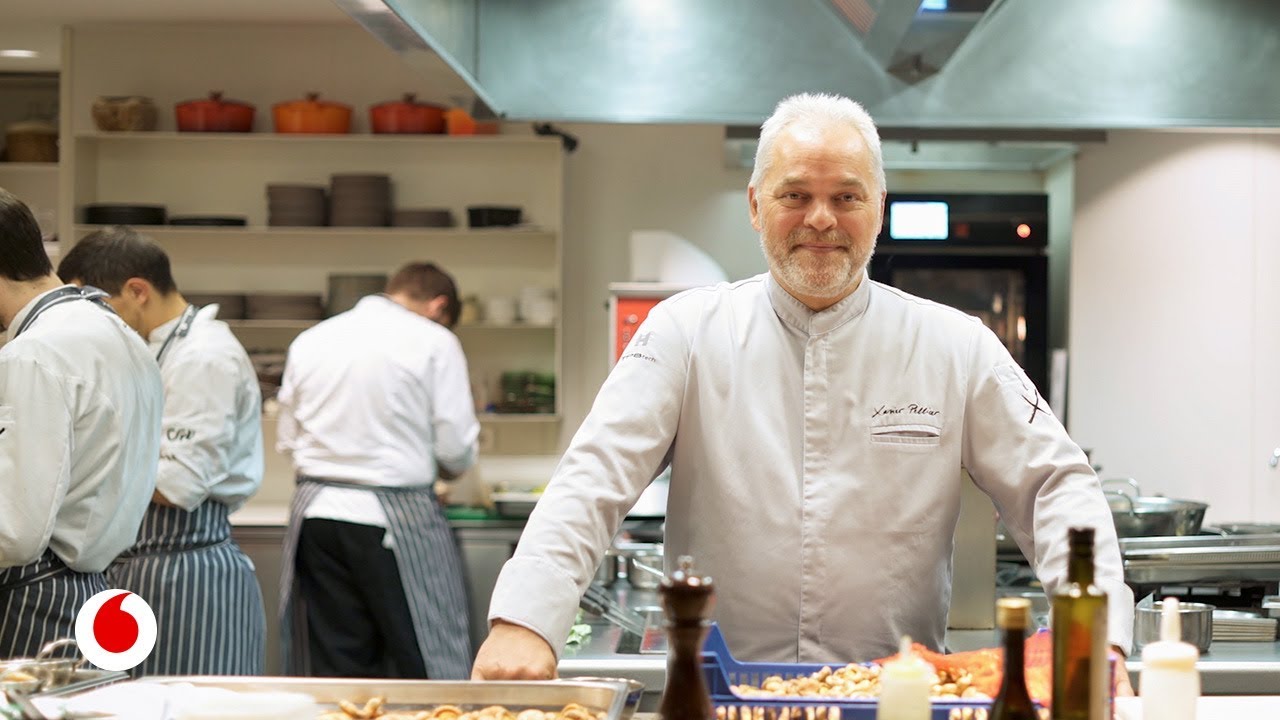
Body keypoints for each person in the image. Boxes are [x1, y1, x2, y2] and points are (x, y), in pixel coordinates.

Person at [472, 93, 1136, 680]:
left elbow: (1055, 487)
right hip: (716, 698)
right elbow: (593, 477)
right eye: (795, 195)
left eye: (846, 196)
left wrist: (1097, 635)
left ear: (878, 209)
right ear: (756, 206)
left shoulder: (953, 345)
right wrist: (525, 618)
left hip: (893, 698)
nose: (821, 218)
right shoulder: (685, 332)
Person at [55, 226, 266, 675]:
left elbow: (178, 484)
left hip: (187, 573)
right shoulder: (152, 348)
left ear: (138, 291)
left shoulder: (203, 357)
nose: (88, 320)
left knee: (185, 701)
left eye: (94, 304)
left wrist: (79, 460)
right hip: (144, 568)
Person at [277, 262, 479, 679]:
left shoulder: (312, 339)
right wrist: (435, 470)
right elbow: (455, 450)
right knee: (424, 660)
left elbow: (287, 440)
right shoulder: (435, 341)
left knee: (338, 668)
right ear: (439, 307)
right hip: (393, 521)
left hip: (317, 517)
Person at [0, 191, 163, 658]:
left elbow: (14, 533)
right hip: (87, 592)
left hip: (32, 602)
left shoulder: (33, 355)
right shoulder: (117, 333)